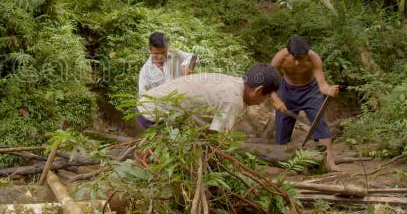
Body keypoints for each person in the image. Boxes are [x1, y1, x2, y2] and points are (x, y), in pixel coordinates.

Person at [136, 63, 281, 132]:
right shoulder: (233, 99)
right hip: (153, 115)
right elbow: (216, 139)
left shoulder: (233, 82)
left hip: (147, 103)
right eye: (266, 97)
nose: (262, 102)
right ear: (257, 91)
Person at [271, 35, 340, 171]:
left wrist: (329, 90)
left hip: (310, 91)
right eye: (294, 58)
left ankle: (329, 161)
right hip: (286, 90)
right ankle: (281, 163)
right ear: (288, 52)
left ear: (306, 53)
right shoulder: (280, 57)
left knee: (320, 124)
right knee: (282, 129)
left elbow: (322, 84)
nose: (297, 63)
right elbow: (268, 81)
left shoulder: (314, 59)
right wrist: (277, 100)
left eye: (300, 59)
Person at [138, 32, 197, 96]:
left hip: (184, 99)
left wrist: (185, 65)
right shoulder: (145, 72)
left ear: (167, 47)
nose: (160, 56)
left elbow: (193, 56)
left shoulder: (176, 55)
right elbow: (142, 95)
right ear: (149, 49)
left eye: (163, 52)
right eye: (156, 53)